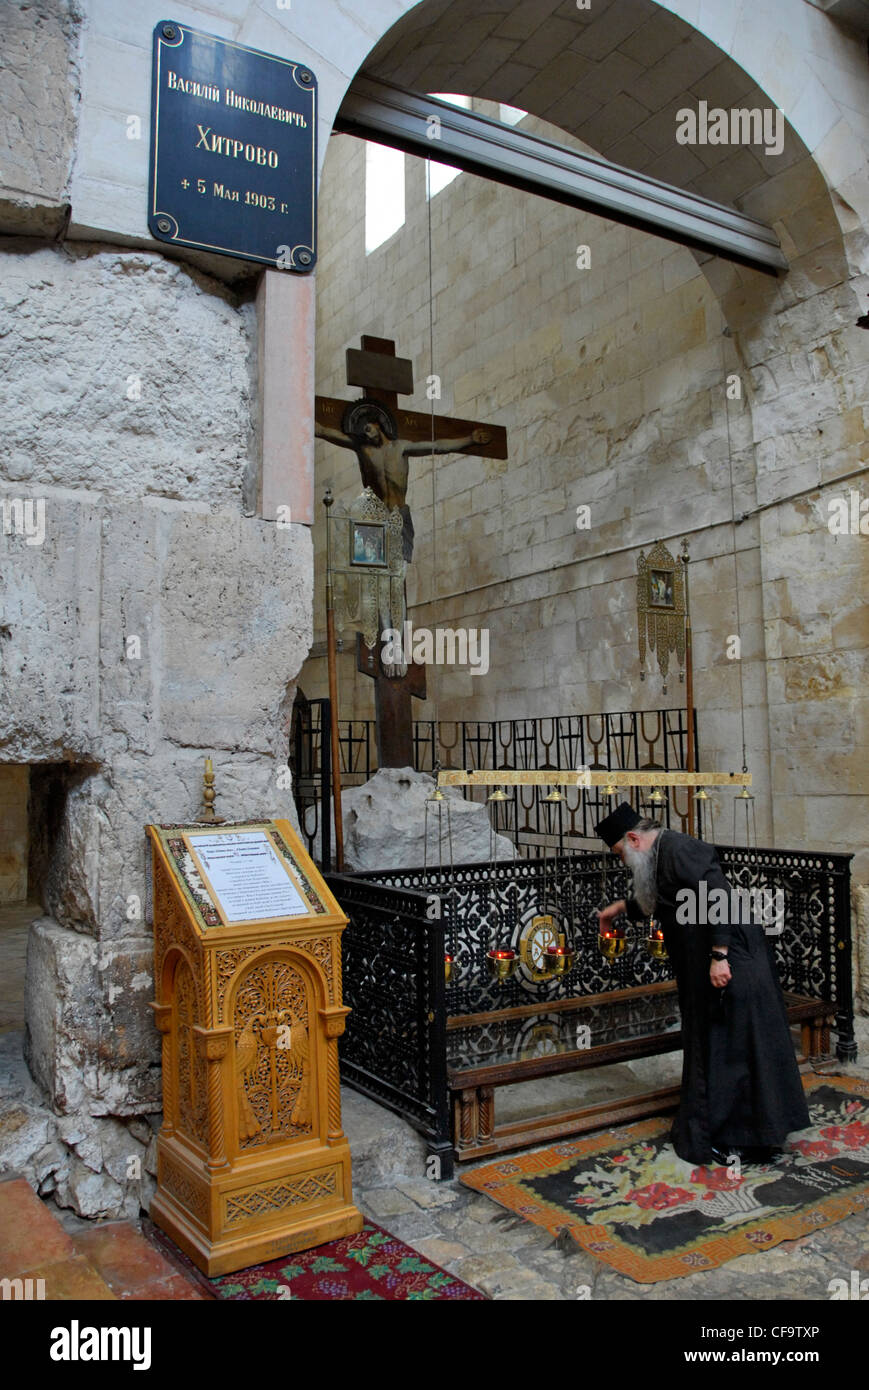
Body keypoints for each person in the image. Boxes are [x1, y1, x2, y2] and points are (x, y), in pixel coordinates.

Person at [595, 802, 810, 1166]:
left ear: (634, 838)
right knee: (715, 1044)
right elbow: (664, 900)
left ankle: (745, 1139)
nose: (623, 862)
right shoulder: (658, 856)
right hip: (708, 964)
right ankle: (728, 1135)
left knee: (735, 1048)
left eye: (620, 854)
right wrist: (621, 909)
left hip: (735, 961)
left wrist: (720, 955)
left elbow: (719, 898)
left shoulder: (681, 849)